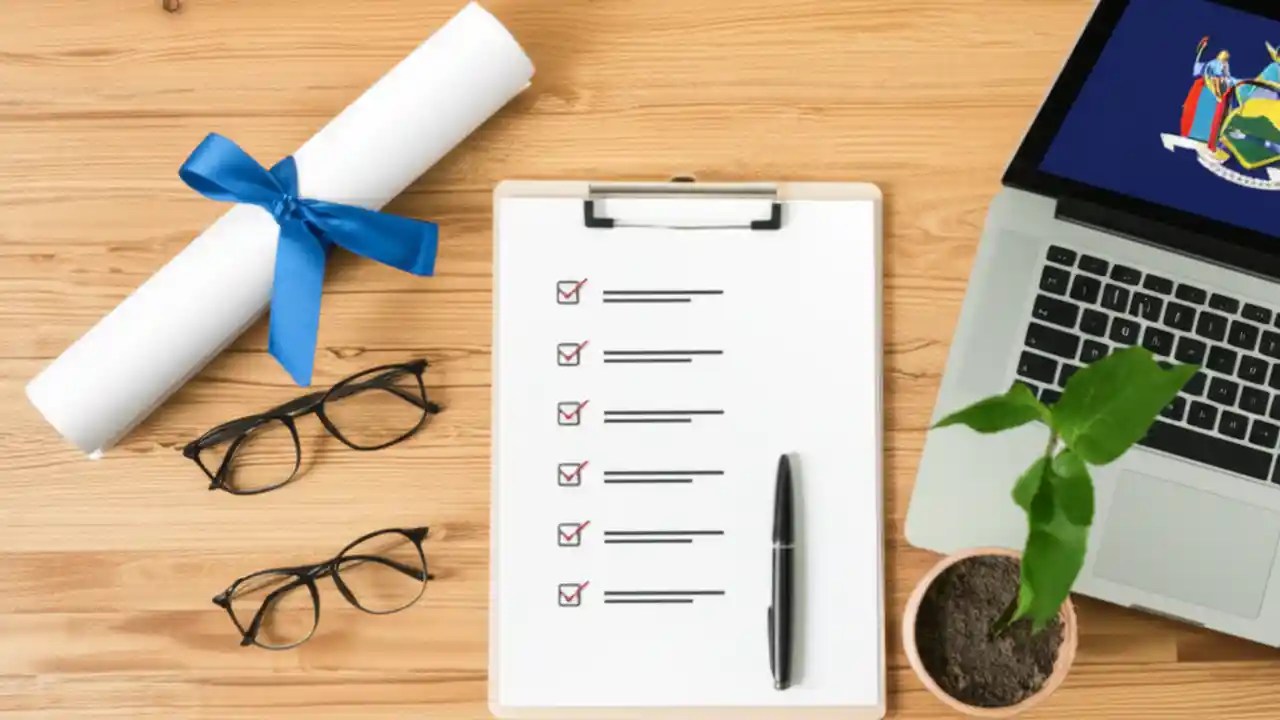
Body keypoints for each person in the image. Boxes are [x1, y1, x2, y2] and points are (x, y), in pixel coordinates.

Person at [1183, 49, 1238, 142]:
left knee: (1218, 116)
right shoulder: (1216, 65)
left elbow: (1229, 80)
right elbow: (1215, 77)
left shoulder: (1221, 69)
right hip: (1211, 95)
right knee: (1210, 115)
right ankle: (1204, 136)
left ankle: (1216, 136)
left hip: (1216, 95)